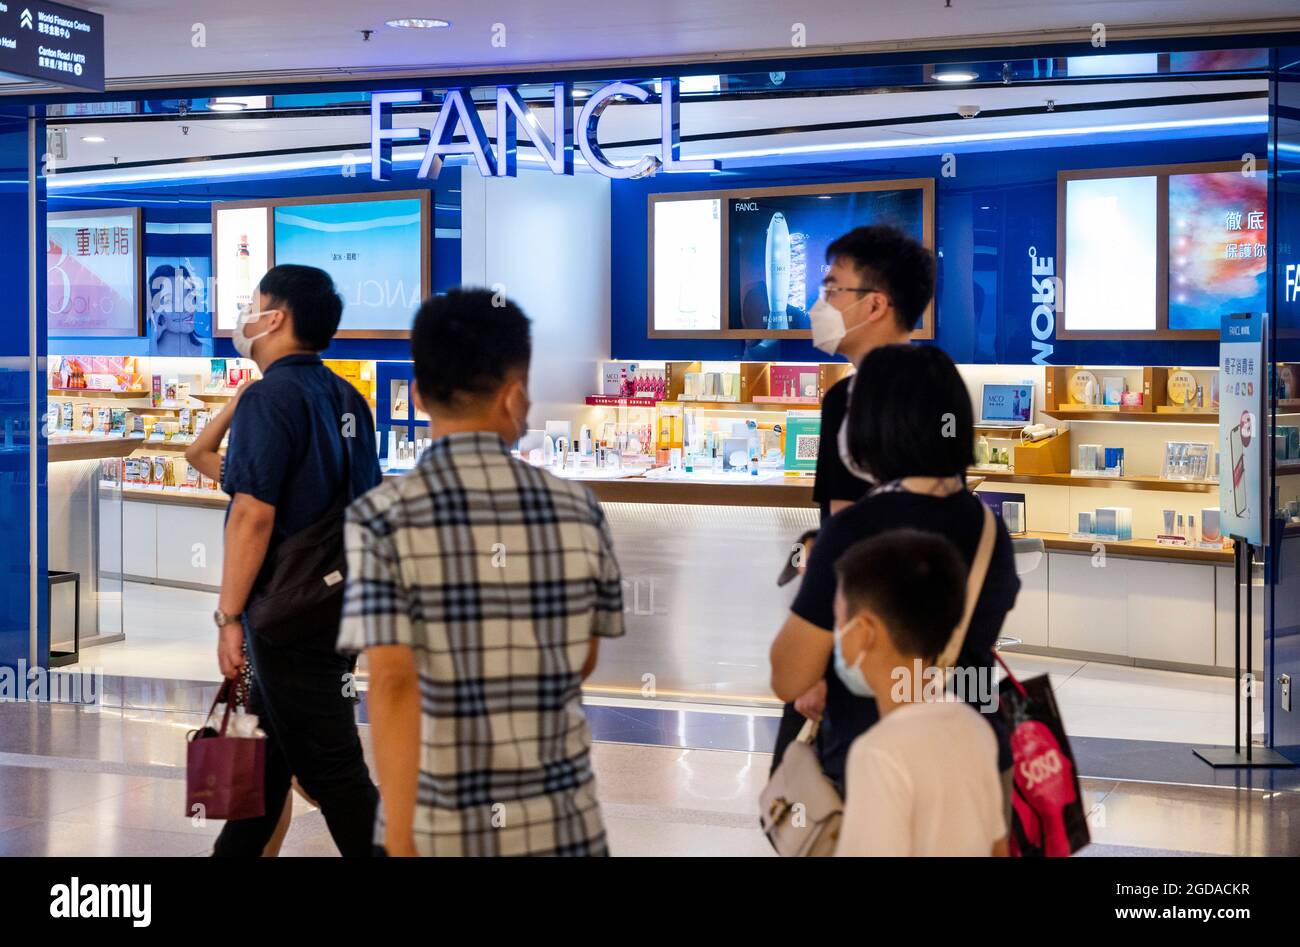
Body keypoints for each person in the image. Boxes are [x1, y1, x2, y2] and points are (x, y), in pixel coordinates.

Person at [339, 288, 625, 857]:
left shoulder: (380, 517)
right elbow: (584, 654)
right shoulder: (578, 506)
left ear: (418, 394)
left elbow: (393, 684)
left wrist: (400, 837)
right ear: (515, 395)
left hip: (441, 825)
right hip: (562, 820)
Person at [769, 343, 1020, 794]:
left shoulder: (851, 531)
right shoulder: (990, 529)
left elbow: (788, 676)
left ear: (875, 427)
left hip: (872, 767)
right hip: (975, 760)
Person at [207, 264, 381, 857]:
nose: (245, 316)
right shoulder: (347, 395)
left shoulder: (269, 396)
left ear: (274, 317)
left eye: (252, 304)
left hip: (287, 614)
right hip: (337, 602)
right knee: (265, 776)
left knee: (337, 776)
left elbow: (252, 515)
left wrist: (229, 617)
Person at [770, 225, 937, 772]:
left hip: (857, 652)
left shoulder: (850, 399)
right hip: (922, 647)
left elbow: (846, 543)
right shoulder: (938, 388)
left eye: (831, 288)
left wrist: (823, 666)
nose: (819, 304)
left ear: (875, 305)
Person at [829, 529, 1007, 857]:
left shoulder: (878, 754)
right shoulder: (973, 725)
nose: (836, 637)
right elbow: (998, 846)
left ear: (865, 631)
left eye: (839, 621)